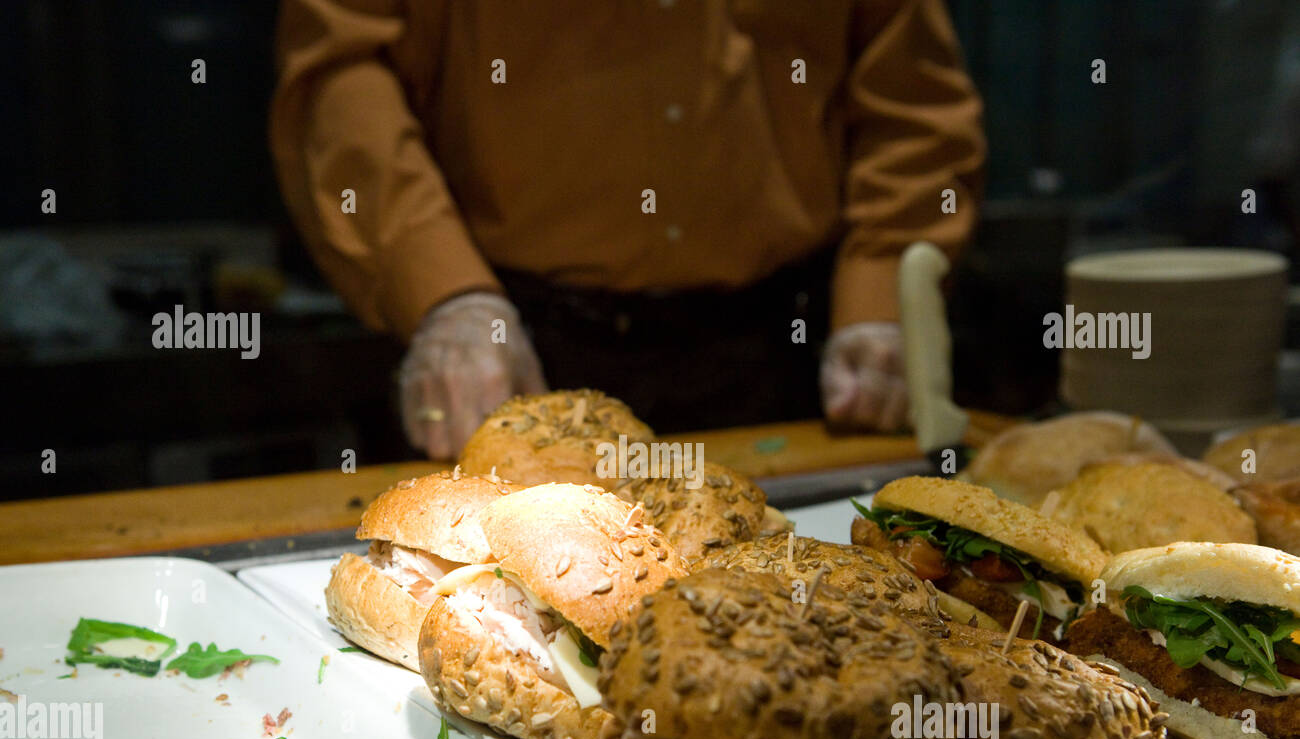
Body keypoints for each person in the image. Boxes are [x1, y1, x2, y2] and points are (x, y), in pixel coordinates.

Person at [271, 0, 984, 457]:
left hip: (787, 360)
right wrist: (443, 293)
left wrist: (882, 303)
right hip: (509, 352)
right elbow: (341, 72)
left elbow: (913, 108)